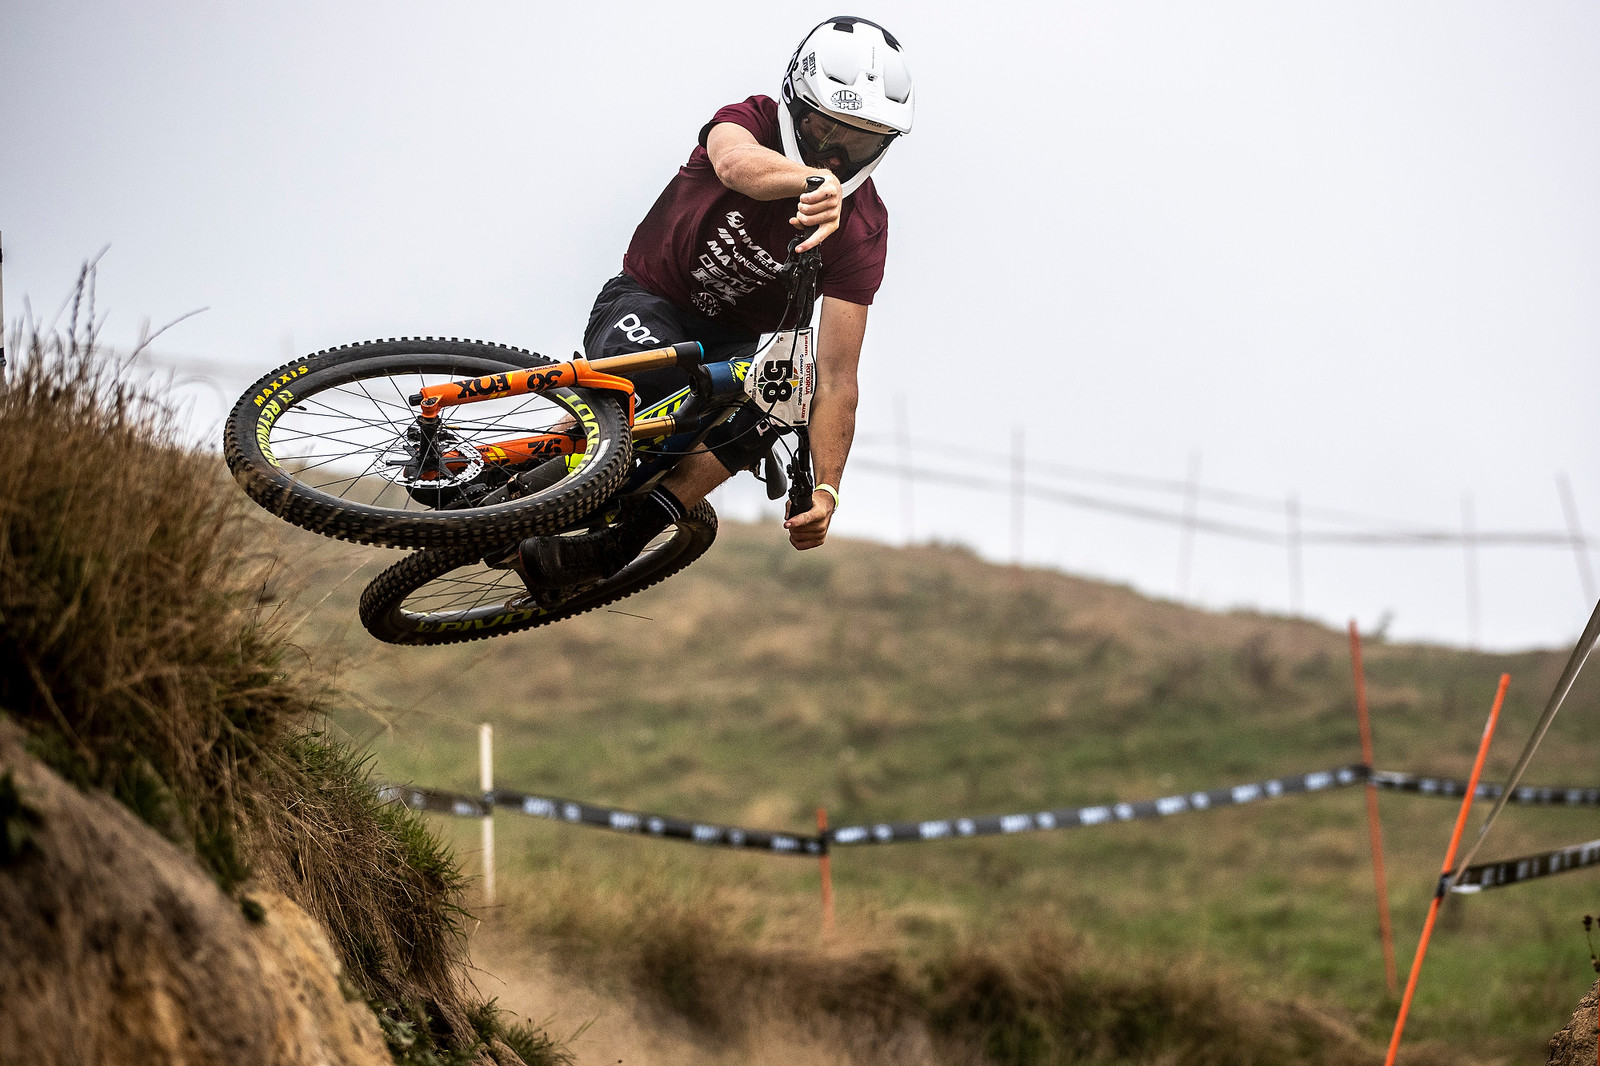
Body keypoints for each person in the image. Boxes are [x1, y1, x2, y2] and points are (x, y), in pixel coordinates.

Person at [516, 16, 914, 589]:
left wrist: (827, 490)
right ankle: (533, 477)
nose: (839, 153)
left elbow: (836, 378)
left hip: (727, 347)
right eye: (829, 129)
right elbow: (733, 164)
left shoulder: (863, 228)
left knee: (779, 397)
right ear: (795, 106)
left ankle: (618, 541)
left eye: (862, 139)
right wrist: (806, 182)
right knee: (653, 382)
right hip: (649, 298)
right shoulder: (751, 118)